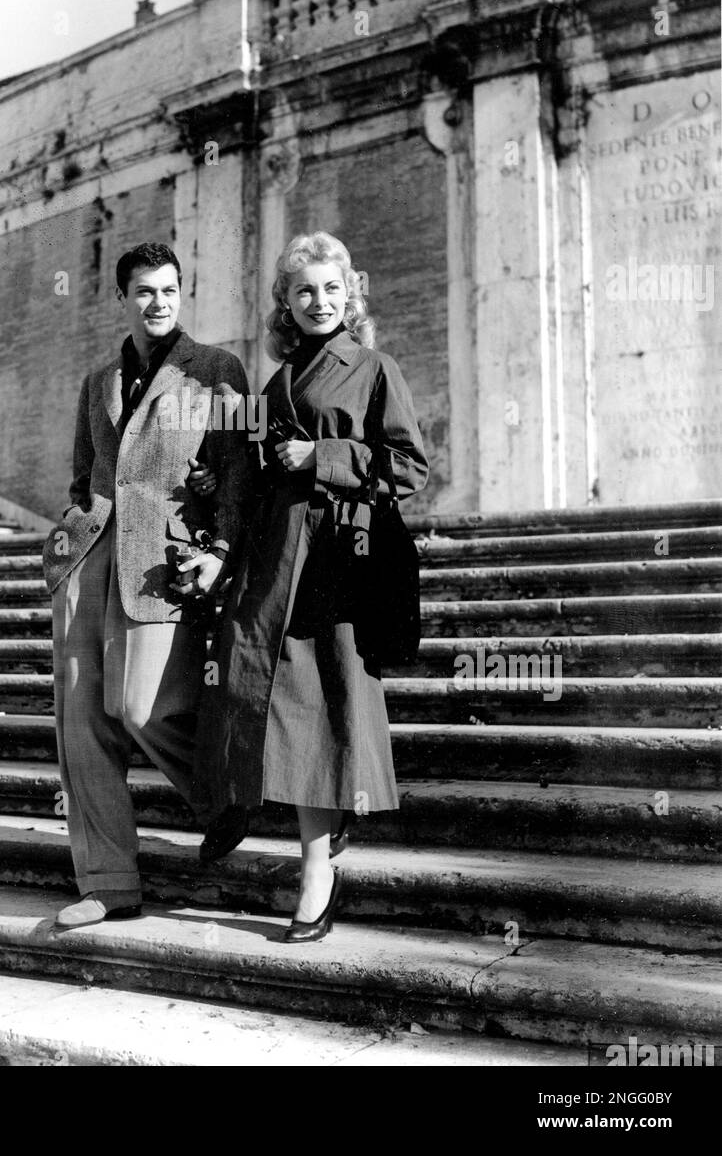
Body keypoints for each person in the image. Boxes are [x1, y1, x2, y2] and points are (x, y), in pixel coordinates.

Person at [192, 231, 429, 943]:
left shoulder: (373, 367)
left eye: (331, 289)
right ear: (285, 307)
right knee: (278, 707)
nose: (319, 301)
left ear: (349, 296)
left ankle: (315, 879)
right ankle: (288, 825)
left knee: (324, 714)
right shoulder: (276, 382)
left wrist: (320, 454)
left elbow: (411, 467)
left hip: (339, 565)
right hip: (276, 568)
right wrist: (218, 483)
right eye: (304, 292)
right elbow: (262, 469)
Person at [42, 241, 256, 929]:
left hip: (165, 559)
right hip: (92, 558)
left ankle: (227, 794)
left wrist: (218, 547)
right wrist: (71, 531)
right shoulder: (97, 379)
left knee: (140, 706)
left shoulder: (218, 371)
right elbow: (85, 476)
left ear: (182, 294)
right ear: (122, 297)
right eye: (144, 291)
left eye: (169, 290)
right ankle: (108, 882)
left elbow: (239, 474)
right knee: (82, 725)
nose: (159, 302)